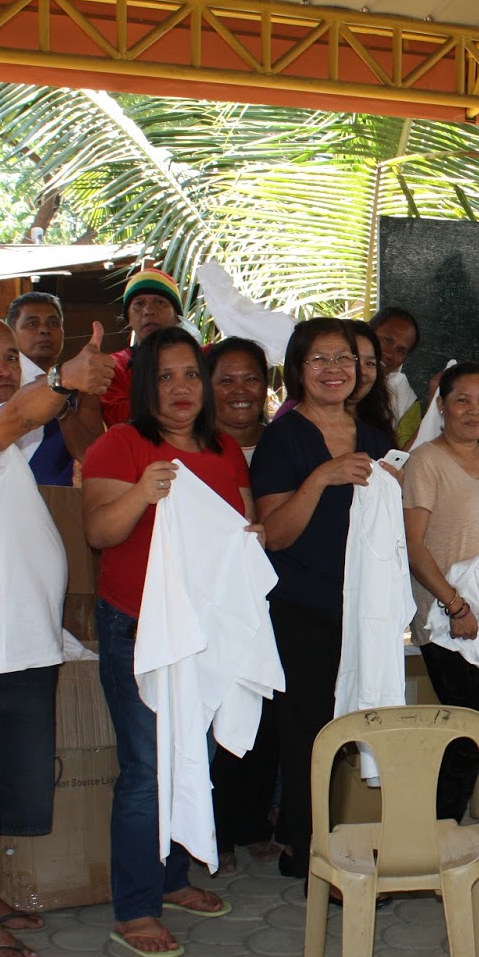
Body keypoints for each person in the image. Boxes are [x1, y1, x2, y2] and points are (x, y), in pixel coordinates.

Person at [0, 313, 115, 957]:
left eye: (10, 358)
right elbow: (16, 417)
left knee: (3, 783)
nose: (4, 369)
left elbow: (31, 421)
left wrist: (61, 388)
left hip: (21, 646)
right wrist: (65, 379)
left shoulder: (0, 441)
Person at [82, 327, 252, 957]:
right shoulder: (118, 446)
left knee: (197, 759)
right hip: (138, 626)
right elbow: (99, 532)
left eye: (190, 375)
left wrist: (250, 537)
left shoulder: (224, 449)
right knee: (146, 769)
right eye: (165, 377)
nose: (180, 389)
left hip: (206, 630)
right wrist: (142, 493)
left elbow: (243, 523)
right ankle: (135, 907)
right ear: (145, 384)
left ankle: (174, 878)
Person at [250, 318, 395, 878]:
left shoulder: (374, 434)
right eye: (320, 360)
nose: (335, 371)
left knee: (361, 721)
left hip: (365, 611)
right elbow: (276, 534)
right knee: (308, 730)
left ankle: (343, 839)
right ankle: (305, 851)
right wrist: (322, 477)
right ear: (297, 371)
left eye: (345, 360)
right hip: (301, 608)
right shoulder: (284, 438)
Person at [403, 362, 479, 822]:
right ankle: (426, 840)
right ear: (443, 406)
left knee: (465, 729)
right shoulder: (426, 462)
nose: (475, 410)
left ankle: (440, 833)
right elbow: (415, 547)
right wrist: (455, 605)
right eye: (462, 400)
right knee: (470, 731)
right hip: (445, 615)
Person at [203, 336, 277, 867]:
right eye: (225, 379)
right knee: (216, 709)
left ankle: (254, 823)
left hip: (277, 598)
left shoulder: (284, 442)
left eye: (250, 378)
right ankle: (215, 832)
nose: (239, 390)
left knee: (267, 709)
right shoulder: (195, 447)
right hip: (214, 604)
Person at [6, 291, 105, 484]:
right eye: (32, 323)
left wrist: (63, 408)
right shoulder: (2, 382)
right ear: (11, 333)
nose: (44, 330)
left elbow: (91, 455)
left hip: (58, 502)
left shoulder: (80, 389)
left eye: (53, 323)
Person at [100, 267, 183, 426]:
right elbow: (116, 417)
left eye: (159, 302)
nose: (148, 311)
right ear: (128, 318)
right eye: (139, 304)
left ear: (177, 316)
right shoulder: (113, 366)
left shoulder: (200, 359)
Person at [371, 307, 423, 446]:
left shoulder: (404, 398)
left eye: (400, 351)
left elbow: (401, 458)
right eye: (387, 340)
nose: (389, 354)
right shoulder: (335, 381)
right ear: (368, 332)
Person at [349, 321, 398, 442]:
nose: (362, 371)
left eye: (370, 364)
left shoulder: (377, 433)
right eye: (352, 360)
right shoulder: (298, 426)